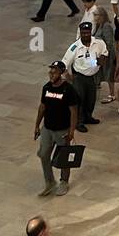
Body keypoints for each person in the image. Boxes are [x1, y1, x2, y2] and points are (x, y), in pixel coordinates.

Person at [34, 61, 80, 198]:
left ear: (61, 72)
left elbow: (74, 111)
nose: (51, 74)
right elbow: (42, 107)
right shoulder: (47, 88)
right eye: (50, 71)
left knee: (63, 157)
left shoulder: (68, 90)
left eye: (54, 71)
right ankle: (49, 182)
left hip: (62, 130)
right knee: (43, 154)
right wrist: (37, 125)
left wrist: (72, 131)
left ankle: (64, 181)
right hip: (47, 129)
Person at [63, 23, 107, 132]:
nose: (86, 35)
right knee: (80, 100)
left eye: (87, 32)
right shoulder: (75, 47)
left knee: (91, 99)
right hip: (79, 77)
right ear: (80, 33)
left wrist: (102, 59)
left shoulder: (98, 43)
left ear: (91, 32)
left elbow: (105, 52)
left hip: (92, 77)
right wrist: (68, 77)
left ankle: (88, 117)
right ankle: (79, 122)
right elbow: (64, 63)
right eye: (83, 33)